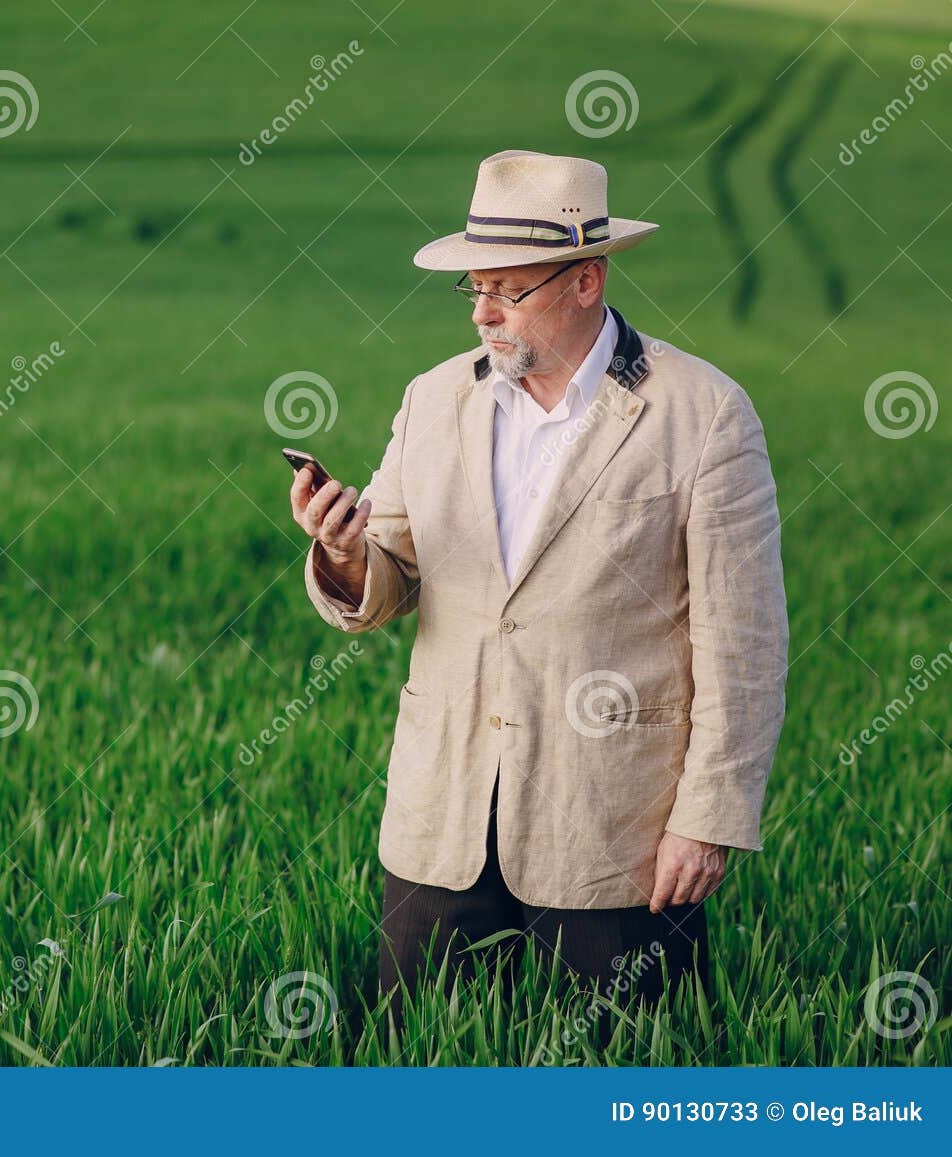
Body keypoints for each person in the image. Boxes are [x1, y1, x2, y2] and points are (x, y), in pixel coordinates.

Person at [289, 149, 788, 1025]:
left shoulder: (703, 412)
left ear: (587, 280)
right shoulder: (434, 398)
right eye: (472, 288)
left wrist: (708, 818)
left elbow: (743, 640)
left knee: (620, 1078)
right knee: (424, 1069)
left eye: (506, 290)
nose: (481, 312)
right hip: (441, 816)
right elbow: (392, 574)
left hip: (613, 832)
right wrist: (341, 550)